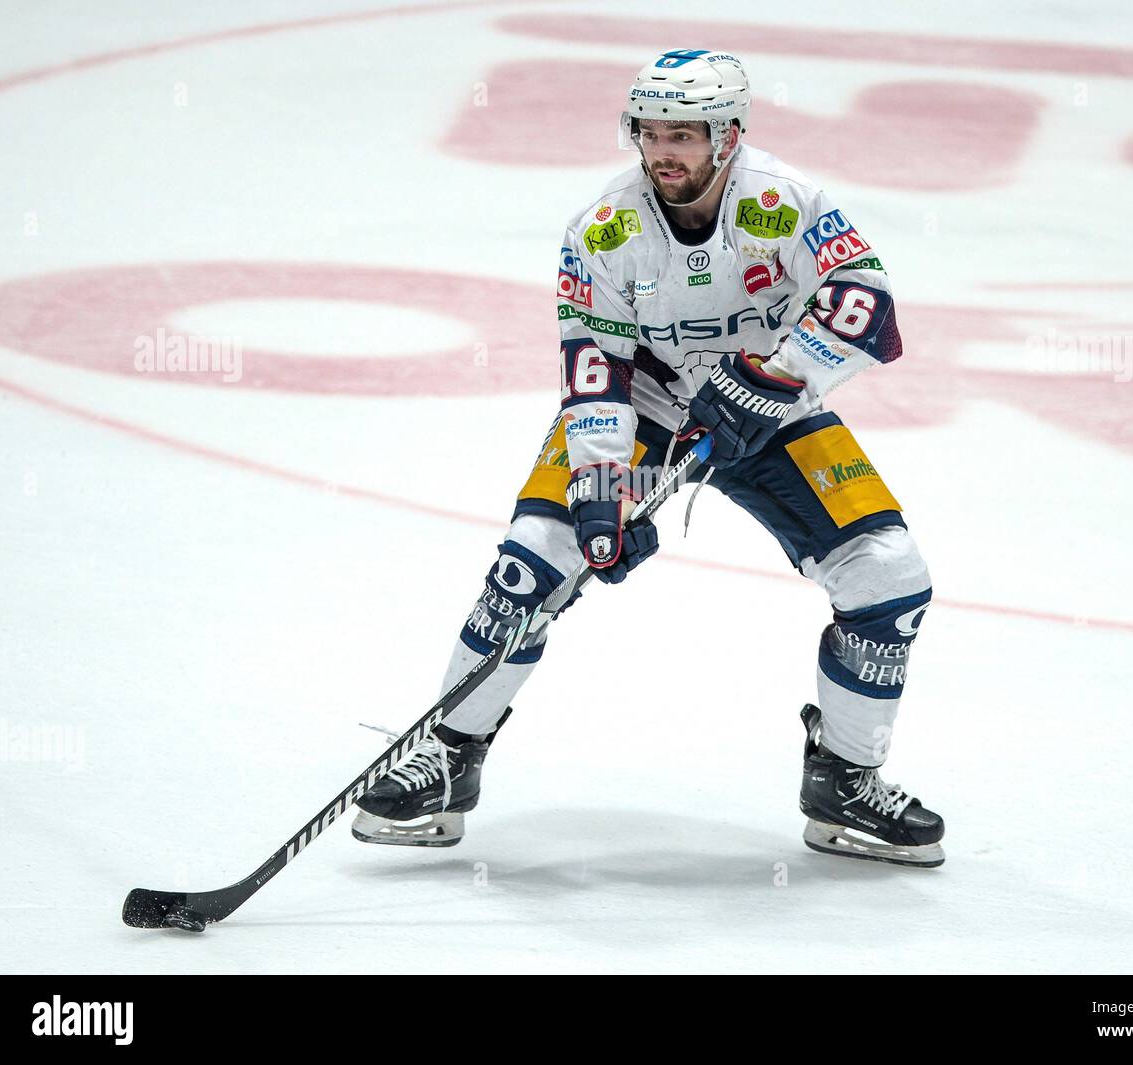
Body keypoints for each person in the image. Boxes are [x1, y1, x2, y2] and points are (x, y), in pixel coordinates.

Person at [352, 49, 944, 867]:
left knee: (889, 575)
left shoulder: (784, 202)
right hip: (647, 405)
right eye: (651, 131)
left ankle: (844, 781)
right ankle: (449, 757)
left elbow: (866, 306)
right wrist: (600, 488)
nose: (664, 150)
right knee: (537, 560)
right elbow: (592, 365)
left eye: (685, 134)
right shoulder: (606, 227)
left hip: (771, 405)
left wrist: (774, 379)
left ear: (728, 134)